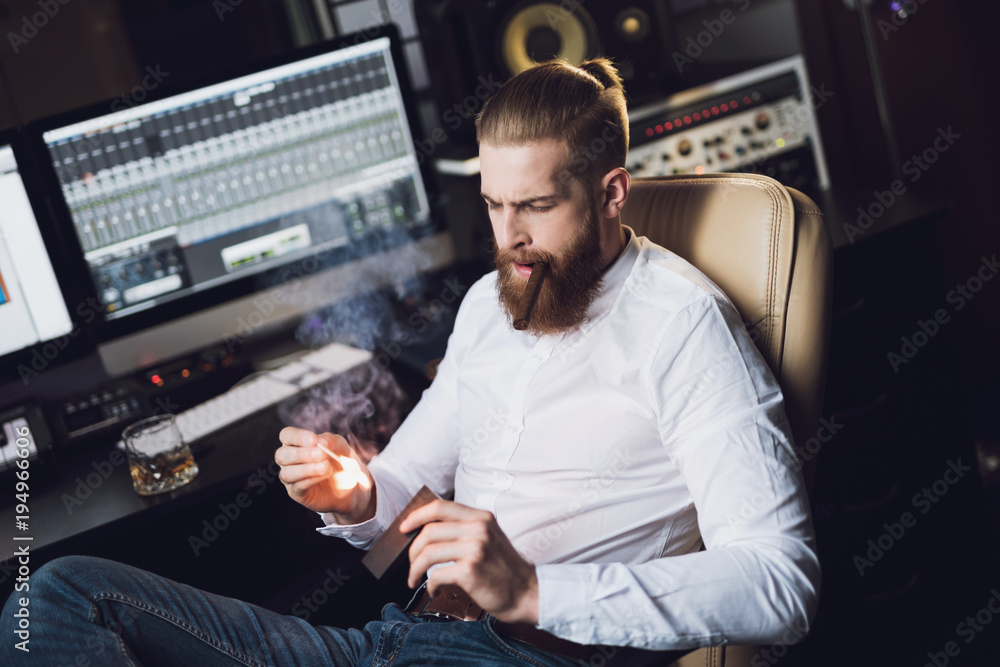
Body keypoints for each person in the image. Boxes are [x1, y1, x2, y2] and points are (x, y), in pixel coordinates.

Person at [1, 58, 819, 666]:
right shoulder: (487, 305)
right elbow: (398, 503)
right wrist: (352, 496)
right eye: (495, 205)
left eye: (536, 206)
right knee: (61, 594)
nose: (510, 238)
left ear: (611, 193)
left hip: (531, 656)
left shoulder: (683, 328)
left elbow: (780, 585)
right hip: (398, 642)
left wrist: (534, 588)